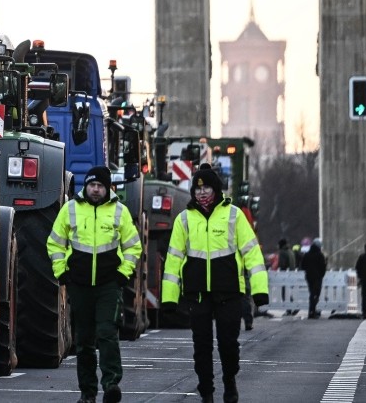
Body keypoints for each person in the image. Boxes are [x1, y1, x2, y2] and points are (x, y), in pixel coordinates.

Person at [161, 166, 268, 403]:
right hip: (197, 294)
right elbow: (173, 259)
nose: (201, 194)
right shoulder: (184, 219)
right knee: (202, 346)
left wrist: (259, 291)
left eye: (206, 188)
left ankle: (230, 381)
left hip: (229, 293)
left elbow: (252, 254)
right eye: (197, 189)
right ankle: (206, 392)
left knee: (229, 345)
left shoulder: (234, 215)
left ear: (216, 189)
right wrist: (169, 297)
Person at [49, 166, 140, 403]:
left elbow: (133, 246)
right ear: (85, 186)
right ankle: (87, 393)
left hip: (109, 285)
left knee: (108, 334)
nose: (96, 189)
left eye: (100, 185)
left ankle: (111, 385)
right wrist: (62, 273)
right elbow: (55, 243)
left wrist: (123, 274)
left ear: (108, 187)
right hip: (79, 285)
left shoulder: (120, 212)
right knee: (84, 341)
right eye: (92, 185)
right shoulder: (70, 209)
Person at [302, 238, 327, 319]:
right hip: (317, 277)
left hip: (309, 277)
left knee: (312, 293)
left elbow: (303, 265)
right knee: (316, 294)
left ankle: (312, 310)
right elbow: (323, 267)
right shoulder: (320, 255)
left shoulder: (307, 254)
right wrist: (321, 275)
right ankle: (312, 311)